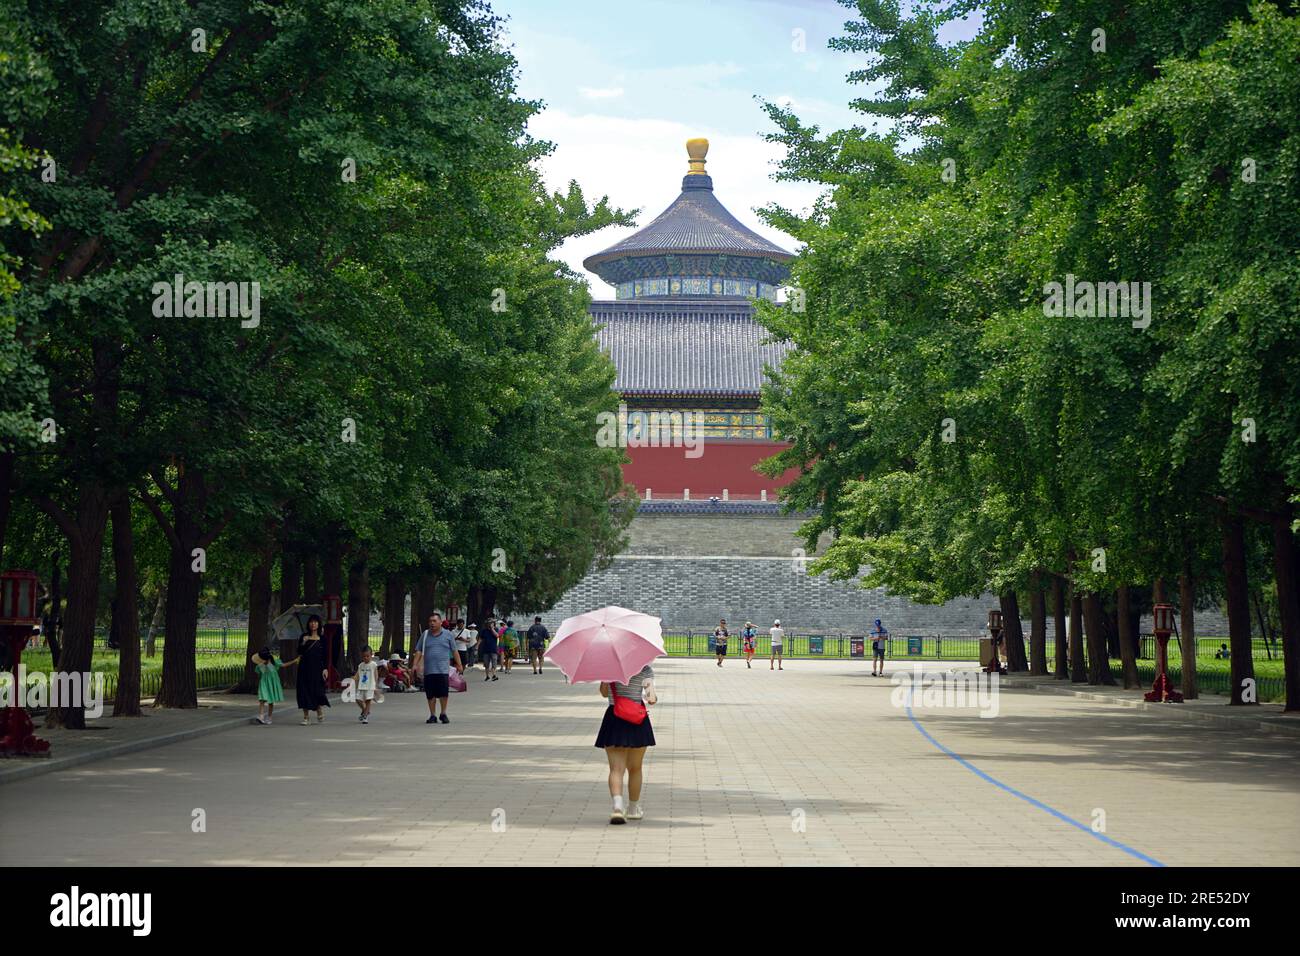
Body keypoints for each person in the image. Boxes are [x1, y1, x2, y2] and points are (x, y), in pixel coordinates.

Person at [596, 664, 658, 824]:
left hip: (614, 717)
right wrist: (652, 697)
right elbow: (651, 699)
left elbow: (604, 694)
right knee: (635, 768)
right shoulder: (644, 668)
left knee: (616, 769)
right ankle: (633, 808)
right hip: (637, 718)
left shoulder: (609, 667)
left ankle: (617, 807)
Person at [412, 612, 463, 724]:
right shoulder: (425, 635)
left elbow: (454, 651)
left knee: (443, 693)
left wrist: (459, 664)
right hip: (429, 670)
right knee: (430, 694)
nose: (432, 623)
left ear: (440, 622)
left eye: (434, 621)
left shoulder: (448, 635)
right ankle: (432, 715)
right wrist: (415, 664)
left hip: (443, 670)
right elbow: (419, 650)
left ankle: (443, 713)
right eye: (430, 621)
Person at [282, 614, 331, 724]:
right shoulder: (303, 636)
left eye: (315, 622)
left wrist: (325, 669)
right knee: (304, 691)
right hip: (304, 668)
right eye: (311, 622)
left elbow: (325, 656)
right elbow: (299, 652)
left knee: (317, 690)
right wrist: (303, 642)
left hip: (317, 669)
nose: (313, 624)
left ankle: (319, 709)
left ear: (318, 624)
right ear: (308, 624)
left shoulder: (322, 639)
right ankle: (306, 717)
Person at [250, 646, 285, 724]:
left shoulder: (274, 663)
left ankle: (269, 717)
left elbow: (284, 665)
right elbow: (259, 673)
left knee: (270, 701)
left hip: (271, 684)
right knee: (262, 700)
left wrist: (294, 661)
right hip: (263, 683)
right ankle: (261, 716)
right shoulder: (260, 666)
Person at [354, 645, 379, 723]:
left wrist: (375, 685)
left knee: (368, 700)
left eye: (368, 656)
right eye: (364, 656)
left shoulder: (373, 664)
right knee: (358, 699)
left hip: (370, 686)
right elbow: (357, 674)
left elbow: (376, 675)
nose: (366, 658)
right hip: (362, 685)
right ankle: (365, 711)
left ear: (371, 655)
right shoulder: (361, 665)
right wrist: (353, 679)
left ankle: (365, 716)